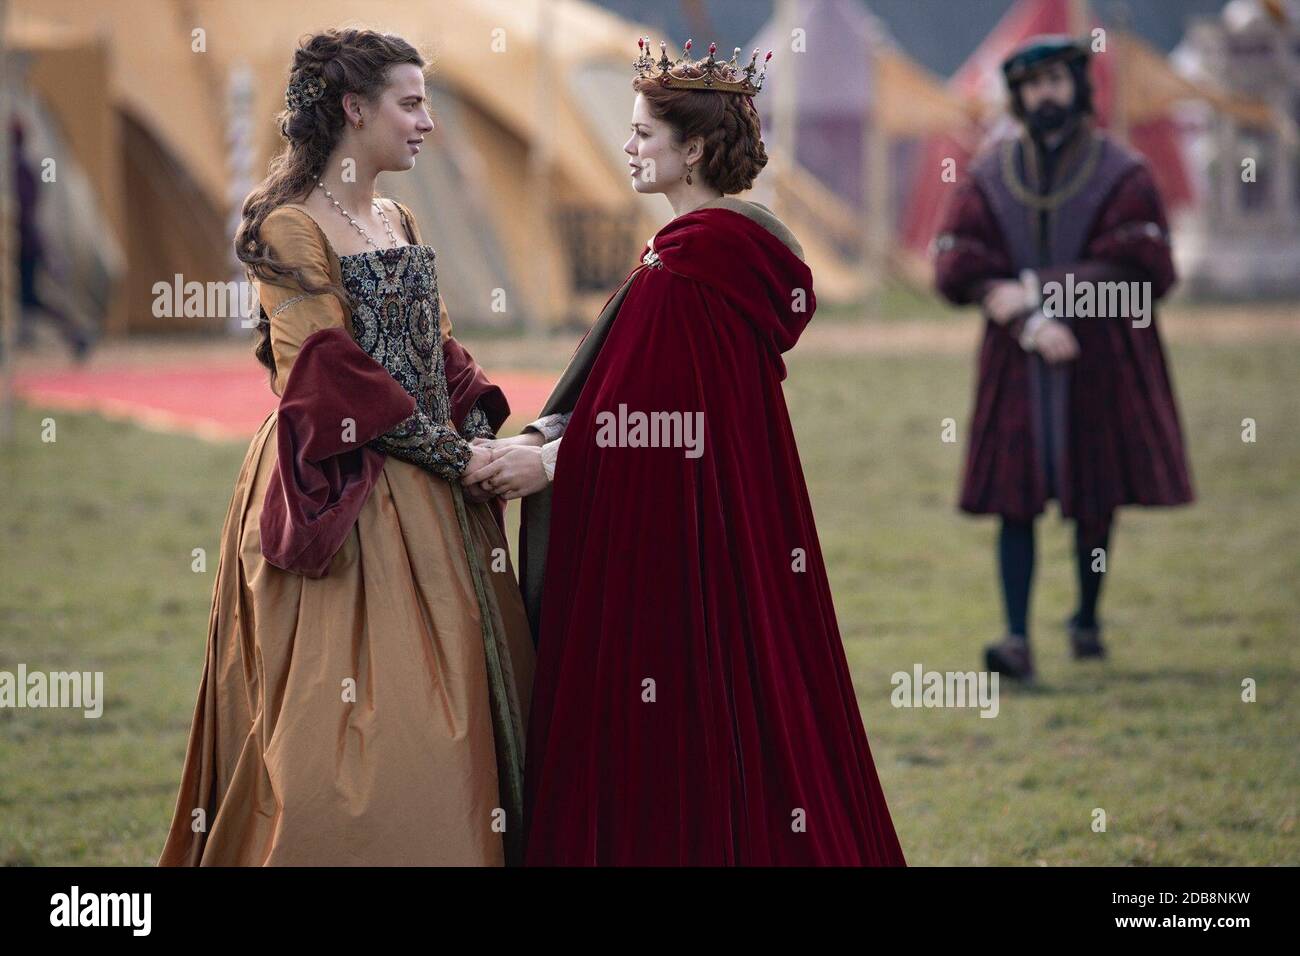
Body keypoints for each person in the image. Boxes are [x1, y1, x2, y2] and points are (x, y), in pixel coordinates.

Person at [466, 39, 906, 866]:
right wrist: (549, 437)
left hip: (676, 560)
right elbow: (636, 406)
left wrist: (551, 464)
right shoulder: (704, 260)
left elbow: (662, 429)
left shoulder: (686, 271)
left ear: (693, 148)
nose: (628, 146)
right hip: (722, 538)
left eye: (641, 134)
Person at [158, 29, 534, 866]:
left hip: (435, 492)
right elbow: (325, 373)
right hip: (349, 489)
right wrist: (452, 456)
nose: (426, 122)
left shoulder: (395, 213)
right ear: (353, 109)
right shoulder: (291, 226)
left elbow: (435, 349)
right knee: (361, 730)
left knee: (463, 700)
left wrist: (476, 428)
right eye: (410, 103)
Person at [933, 36, 1194, 682]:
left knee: (1092, 497)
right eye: (1031, 85)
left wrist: (1047, 290)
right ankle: (1016, 638)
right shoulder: (990, 173)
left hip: (1097, 357)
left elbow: (1148, 269)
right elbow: (957, 263)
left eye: (1055, 82)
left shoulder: (1124, 173)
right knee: (1013, 499)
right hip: (1016, 360)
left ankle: (1085, 618)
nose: (1043, 95)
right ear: (1018, 95)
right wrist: (1020, 311)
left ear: (1079, 87)